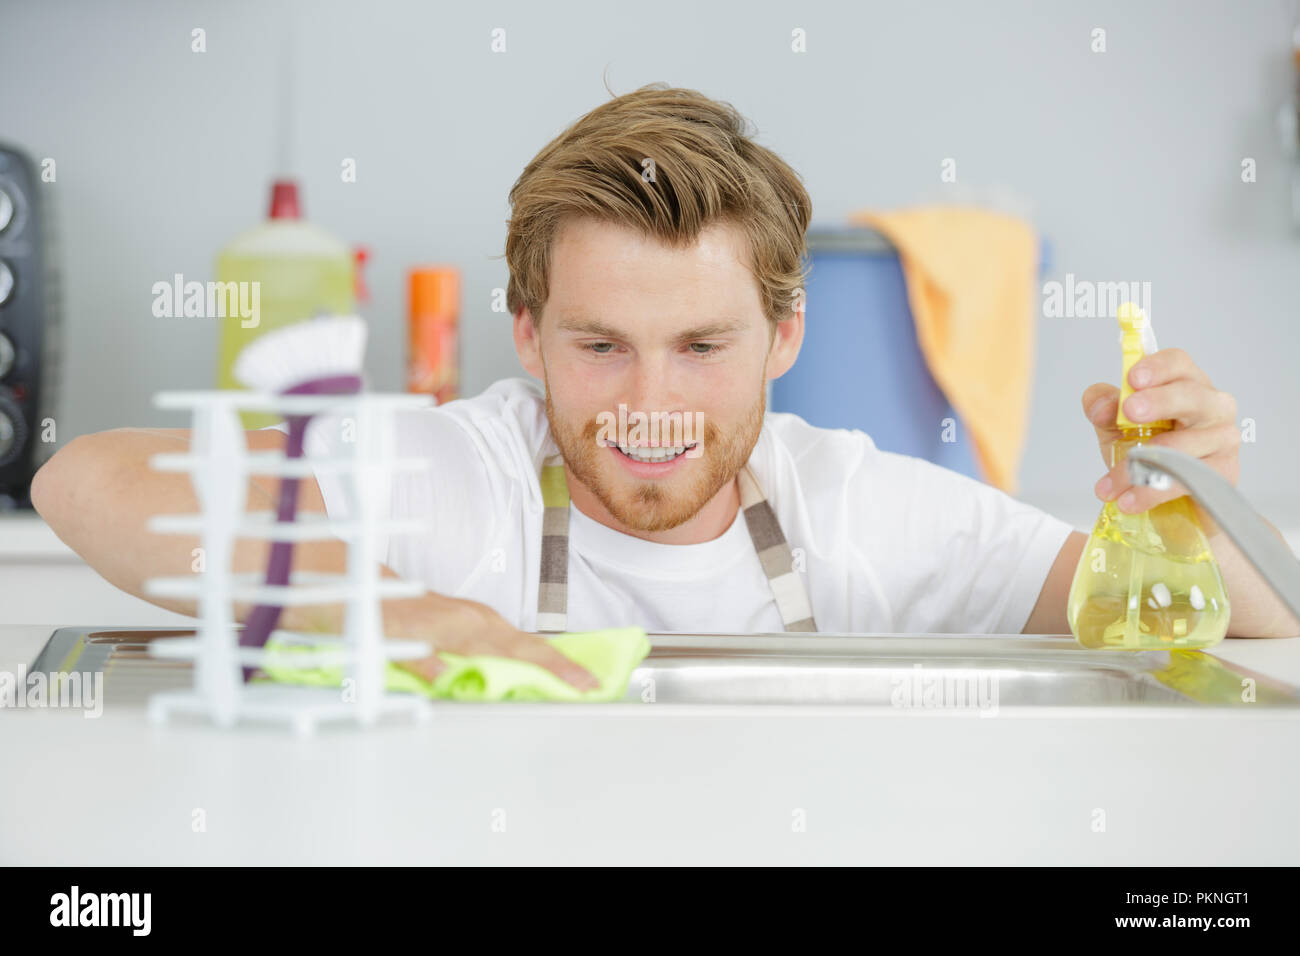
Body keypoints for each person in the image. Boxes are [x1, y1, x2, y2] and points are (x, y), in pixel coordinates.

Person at [33, 84, 1300, 693]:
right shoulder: (460, 474)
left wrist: (1197, 509)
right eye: (598, 346)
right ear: (524, 337)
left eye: (701, 345)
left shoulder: (856, 508)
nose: (648, 400)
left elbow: (1255, 629)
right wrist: (419, 617)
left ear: (784, 334)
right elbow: (83, 478)